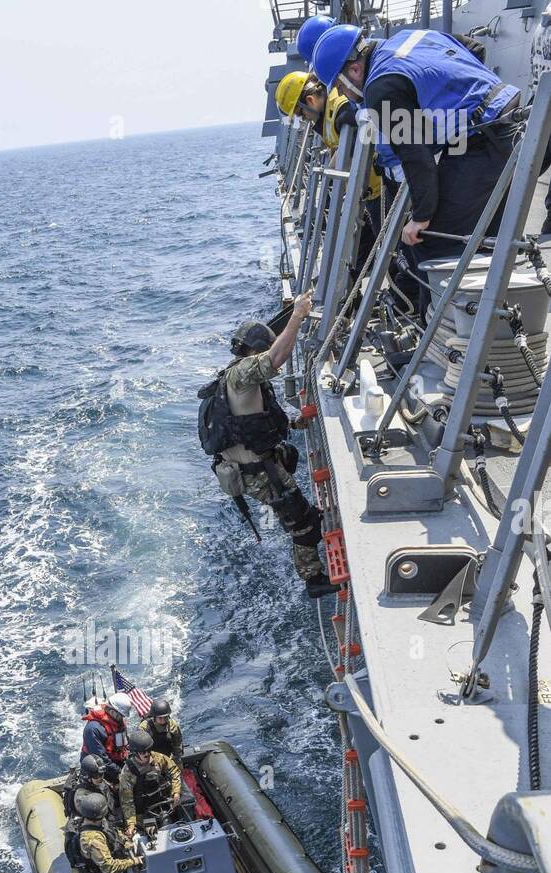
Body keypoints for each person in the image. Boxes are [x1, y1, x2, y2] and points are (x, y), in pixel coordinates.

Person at [311, 24, 546, 313]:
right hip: (512, 116)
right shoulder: (412, 37)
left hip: (486, 144)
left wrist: (420, 219)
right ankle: (495, 315)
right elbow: (474, 48)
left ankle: (437, 332)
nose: (344, 95)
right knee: (485, 236)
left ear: (354, 70)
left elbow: (416, 158)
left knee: (428, 242)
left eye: (339, 86)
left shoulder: (379, 89)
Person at [215, 301, 338, 599]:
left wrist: (297, 423)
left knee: (303, 517)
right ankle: (314, 580)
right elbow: (277, 357)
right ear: (255, 349)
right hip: (257, 472)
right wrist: (297, 316)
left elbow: (254, 424)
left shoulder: (235, 380)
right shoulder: (241, 374)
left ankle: (312, 568)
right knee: (303, 524)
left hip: (257, 466)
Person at [274, 69, 382, 286]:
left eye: (301, 113)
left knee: (395, 247)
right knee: (362, 252)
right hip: (368, 192)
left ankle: (409, 303)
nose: (303, 120)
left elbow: (355, 142)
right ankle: (352, 292)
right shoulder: (327, 115)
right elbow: (337, 147)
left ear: (311, 101)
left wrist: (329, 180)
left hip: (382, 188)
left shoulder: (341, 108)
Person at [118, 730, 183, 836]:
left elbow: (174, 771)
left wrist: (176, 792)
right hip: (143, 812)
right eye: (143, 752)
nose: (147, 754)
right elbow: (127, 802)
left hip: (165, 803)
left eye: (149, 750)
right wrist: (131, 824)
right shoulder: (127, 773)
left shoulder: (158, 759)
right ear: (135, 752)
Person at [81, 691, 133, 768]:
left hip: (116, 759)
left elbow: (125, 743)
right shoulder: (93, 729)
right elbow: (101, 759)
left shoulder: (118, 722)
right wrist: (119, 773)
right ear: (111, 710)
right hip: (98, 767)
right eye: (120, 715)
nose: (122, 718)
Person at [62, 754, 117, 820]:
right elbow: (93, 819)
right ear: (87, 777)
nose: (101, 778)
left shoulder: (97, 782)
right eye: (96, 775)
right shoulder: (82, 796)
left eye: (101, 774)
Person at [140, 698, 183, 763]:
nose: (163, 721)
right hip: (151, 759)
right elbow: (141, 747)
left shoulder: (172, 725)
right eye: (160, 718)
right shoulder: (145, 727)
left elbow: (178, 742)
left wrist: (176, 757)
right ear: (154, 717)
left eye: (165, 717)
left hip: (169, 757)